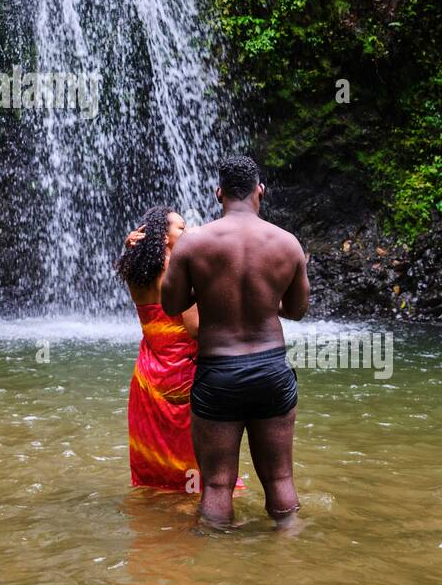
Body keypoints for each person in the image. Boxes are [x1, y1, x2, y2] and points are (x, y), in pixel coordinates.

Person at [160, 156, 310, 528]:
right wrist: (262, 299)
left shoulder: (193, 244)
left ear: (218, 193)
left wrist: (212, 293)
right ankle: (290, 553)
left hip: (219, 373)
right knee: (280, 479)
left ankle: (216, 567)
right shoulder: (287, 243)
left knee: (216, 485)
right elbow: (296, 310)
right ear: (260, 191)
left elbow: (171, 304)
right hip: (271, 369)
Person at [116, 206, 245, 498]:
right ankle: (205, 510)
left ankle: (162, 510)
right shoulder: (178, 271)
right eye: (182, 228)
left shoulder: (134, 268)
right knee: (196, 450)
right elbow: (195, 327)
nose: (188, 232)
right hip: (183, 372)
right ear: (164, 237)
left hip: (148, 374)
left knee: (160, 452)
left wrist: (129, 247)